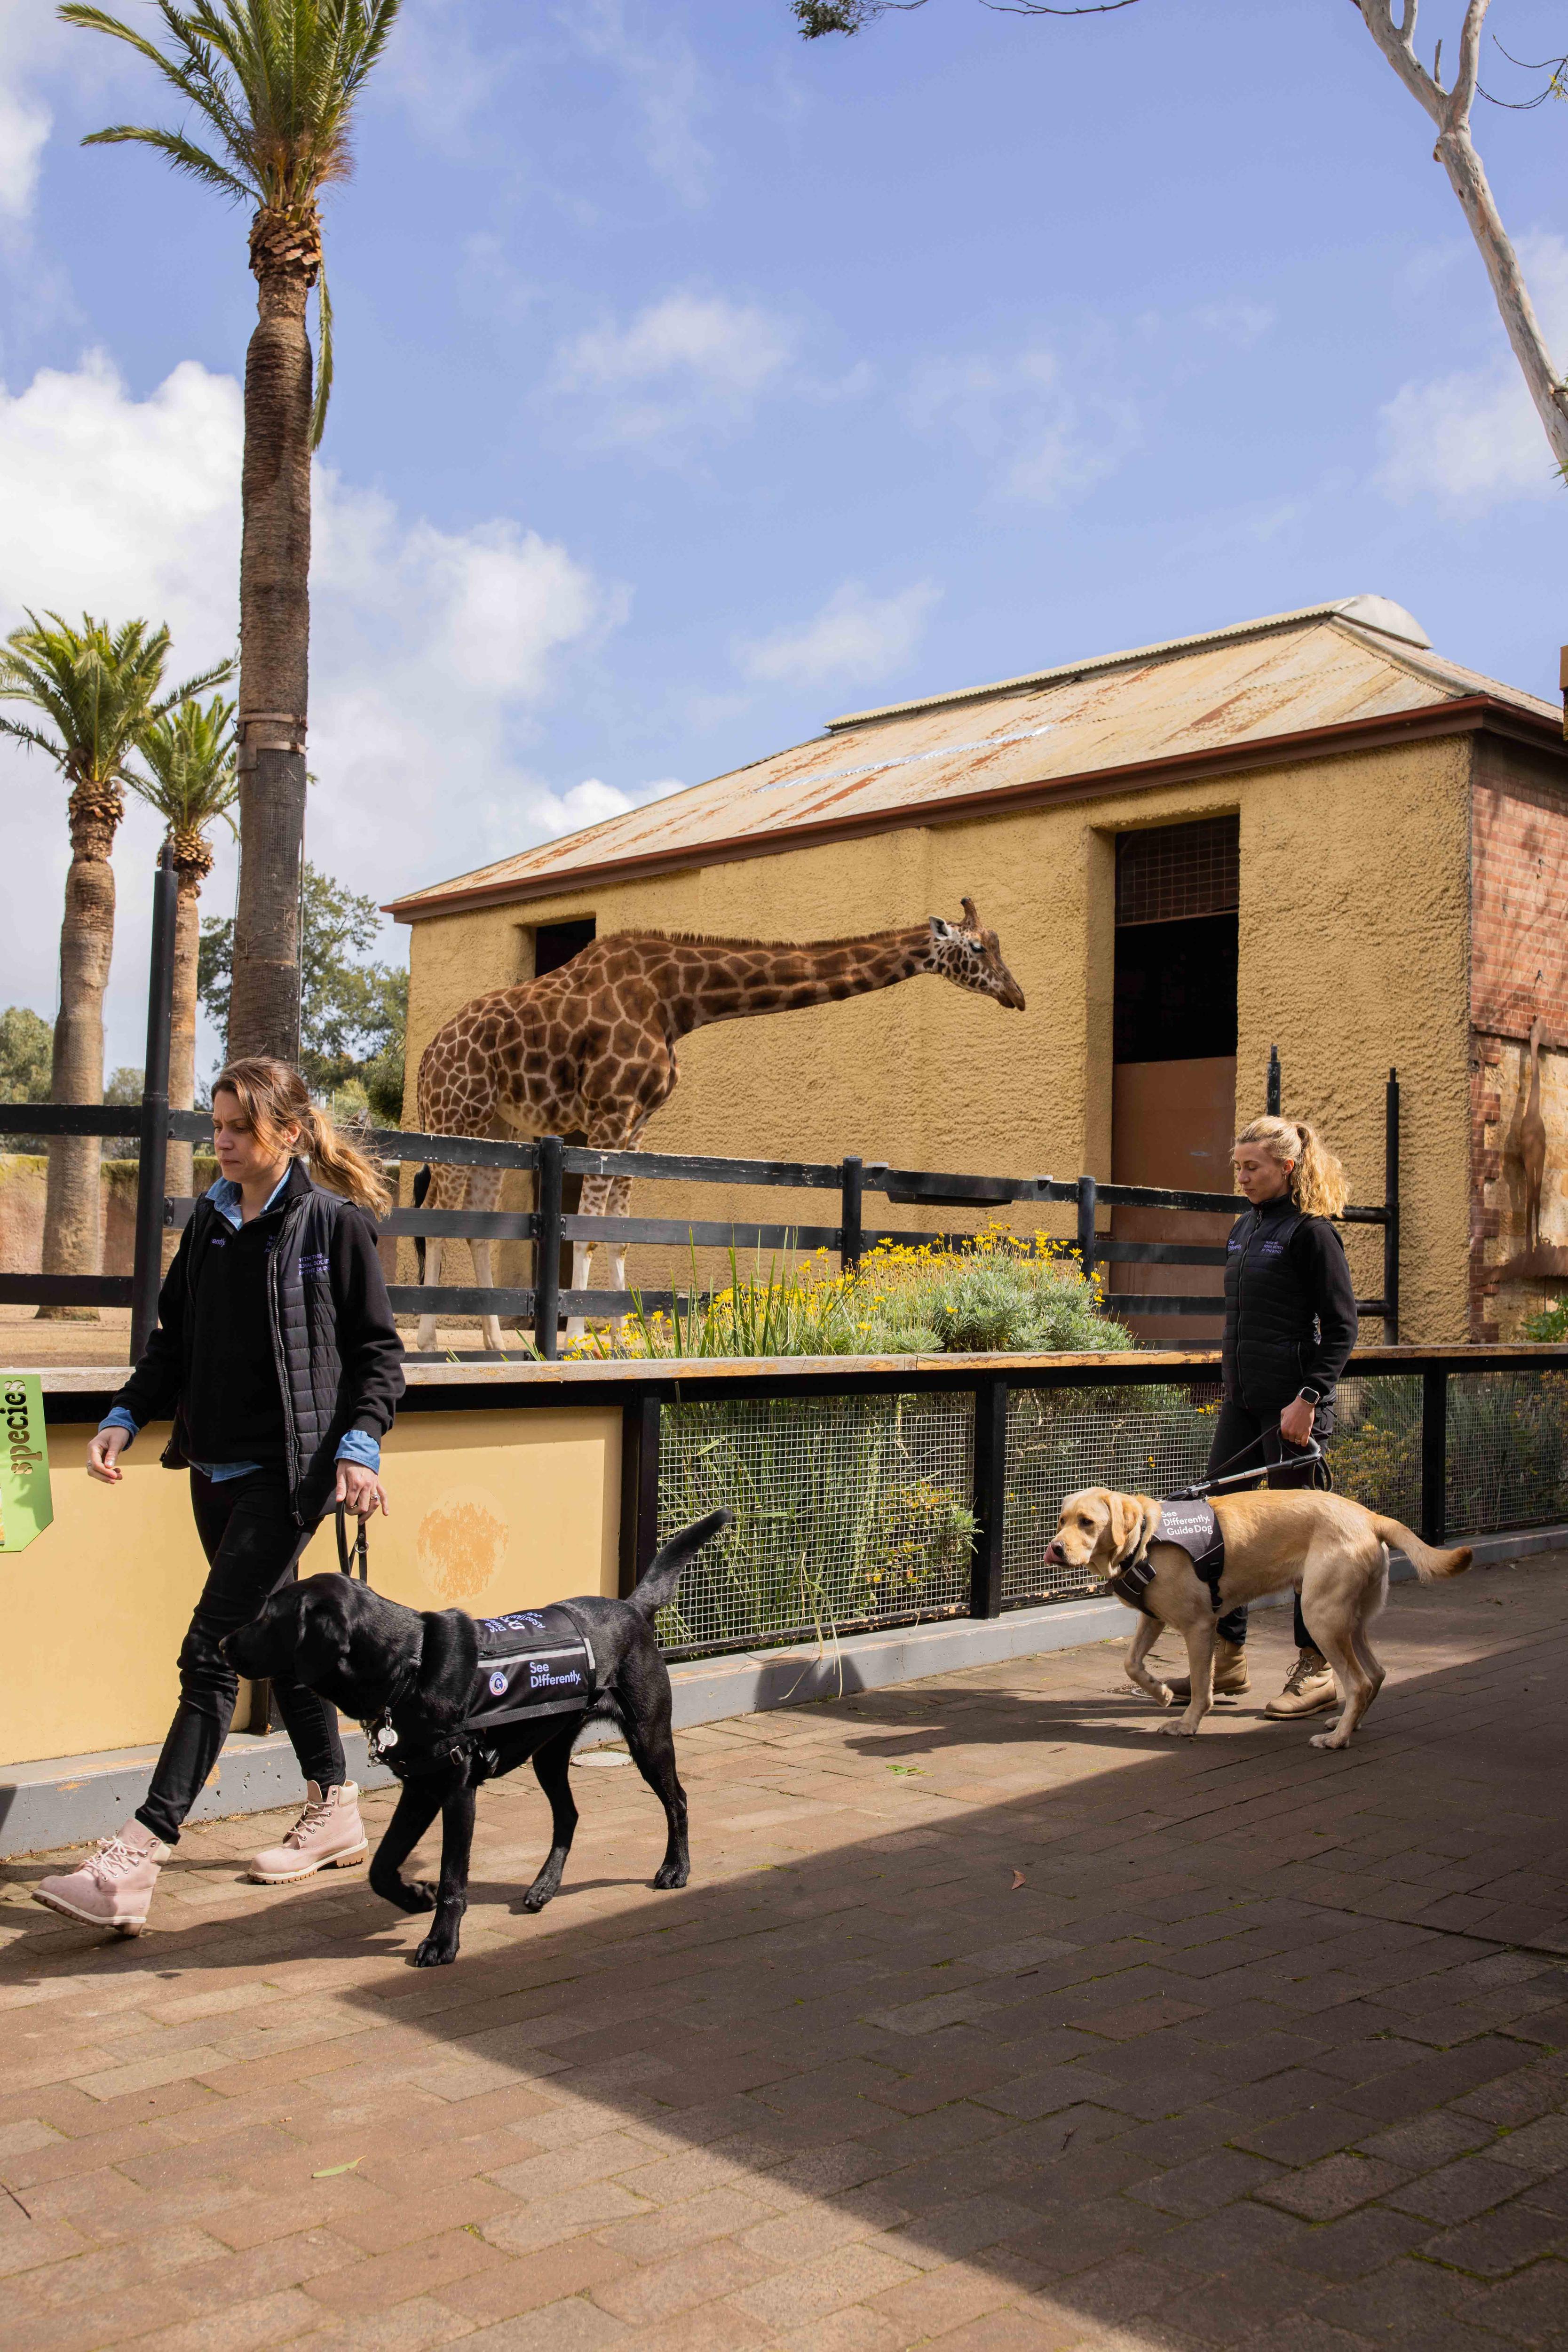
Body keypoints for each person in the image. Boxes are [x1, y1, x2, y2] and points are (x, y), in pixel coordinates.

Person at [33, 1058, 404, 1936]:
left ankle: (137, 1855)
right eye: (217, 1123)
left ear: (286, 1131)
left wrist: (359, 1448)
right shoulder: (208, 1223)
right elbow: (173, 1341)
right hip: (212, 1468)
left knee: (213, 1654)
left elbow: (378, 1355)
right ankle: (336, 1805)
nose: (223, 1139)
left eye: (238, 1126)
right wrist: (127, 1412)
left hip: (291, 1472)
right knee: (280, 1638)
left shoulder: (330, 1226)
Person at [1164, 1114, 1358, 1718]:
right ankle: (1226, 1658)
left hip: (1292, 1409)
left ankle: (1318, 1665)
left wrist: (1309, 1397)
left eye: (1253, 1167)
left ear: (1287, 1168)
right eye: (1238, 1167)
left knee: (1300, 1540)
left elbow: (1342, 1328)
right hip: (1242, 1404)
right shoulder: (1243, 1229)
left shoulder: (1312, 1233)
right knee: (1214, 1529)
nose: (1242, 1177)